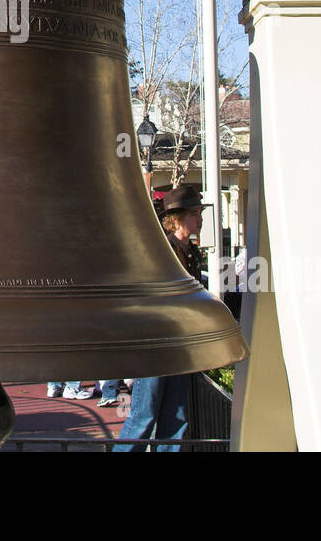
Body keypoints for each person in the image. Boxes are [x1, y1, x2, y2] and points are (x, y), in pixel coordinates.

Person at [112, 184, 207, 450]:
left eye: (199, 213)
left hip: (178, 345)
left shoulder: (191, 252)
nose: (199, 219)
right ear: (176, 219)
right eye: (193, 214)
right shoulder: (159, 251)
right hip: (155, 344)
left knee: (175, 418)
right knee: (144, 415)